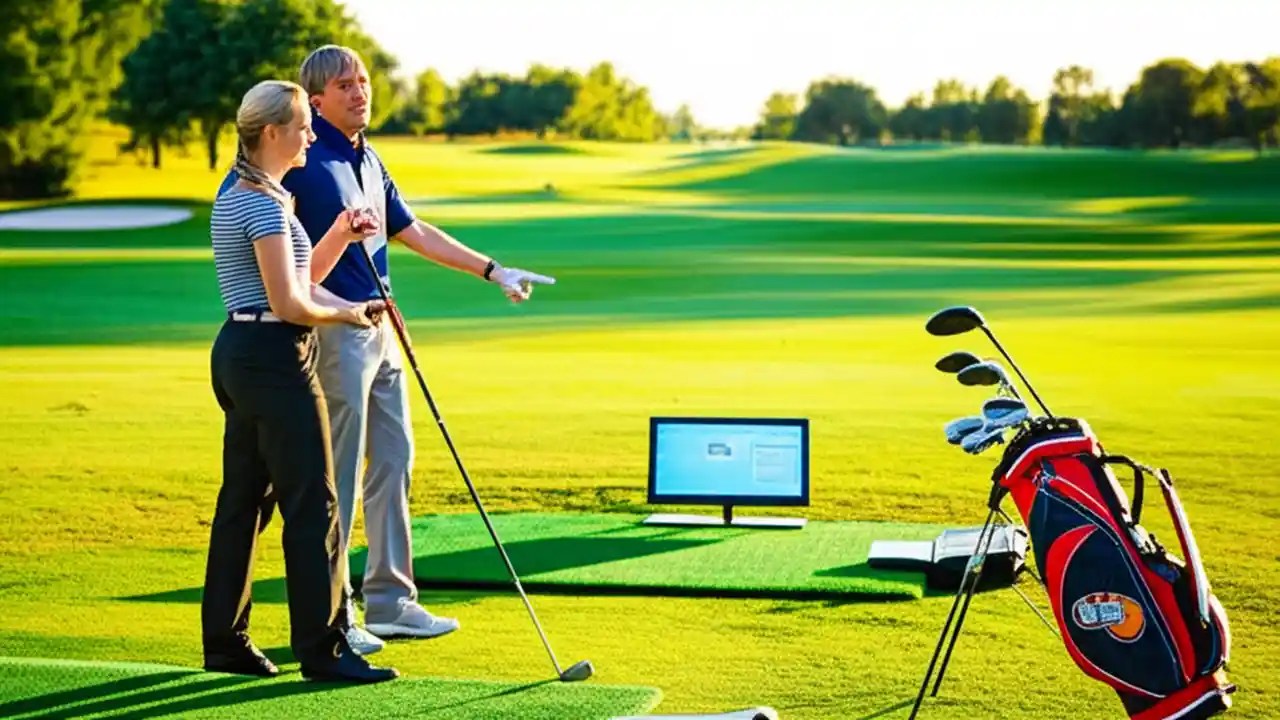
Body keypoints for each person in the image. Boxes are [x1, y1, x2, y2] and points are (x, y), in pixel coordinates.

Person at [288, 44, 555, 653]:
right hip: (334, 327)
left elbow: (412, 232)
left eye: (363, 81)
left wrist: (493, 270)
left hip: (383, 328)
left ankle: (390, 601)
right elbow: (287, 251)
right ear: (318, 99)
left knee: (394, 461)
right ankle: (337, 615)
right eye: (344, 85)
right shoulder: (304, 158)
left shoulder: (369, 157)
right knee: (341, 475)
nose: (359, 92)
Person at [203, 78, 400, 683]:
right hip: (273, 357)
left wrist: (339, 233)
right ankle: (324, 648)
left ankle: (227, 644)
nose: (312, 134)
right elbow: (290, 303)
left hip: (244, 352)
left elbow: (296, 277)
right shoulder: (261, 204)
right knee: (315, 503)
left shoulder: (254, 195)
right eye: (302, 126)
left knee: (245, 500)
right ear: (272, 133)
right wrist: (348, 312)